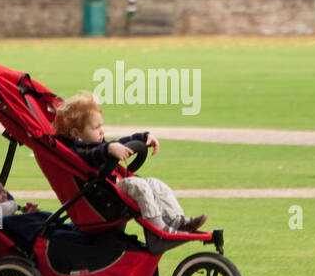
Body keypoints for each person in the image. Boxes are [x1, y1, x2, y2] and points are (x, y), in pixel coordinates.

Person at [52, 91, 206, 233]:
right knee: (137, 185)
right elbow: (92, 154)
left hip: (112, 191)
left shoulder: (98, 144)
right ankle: (159, 229)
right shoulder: (77, 151)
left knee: (154, 184)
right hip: (104, 199)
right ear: (76, 133)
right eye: (96, 127)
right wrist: (108, 149)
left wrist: (143, 137)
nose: (102, 131)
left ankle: (177, 220)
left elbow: (117, 143)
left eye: (102, 126)